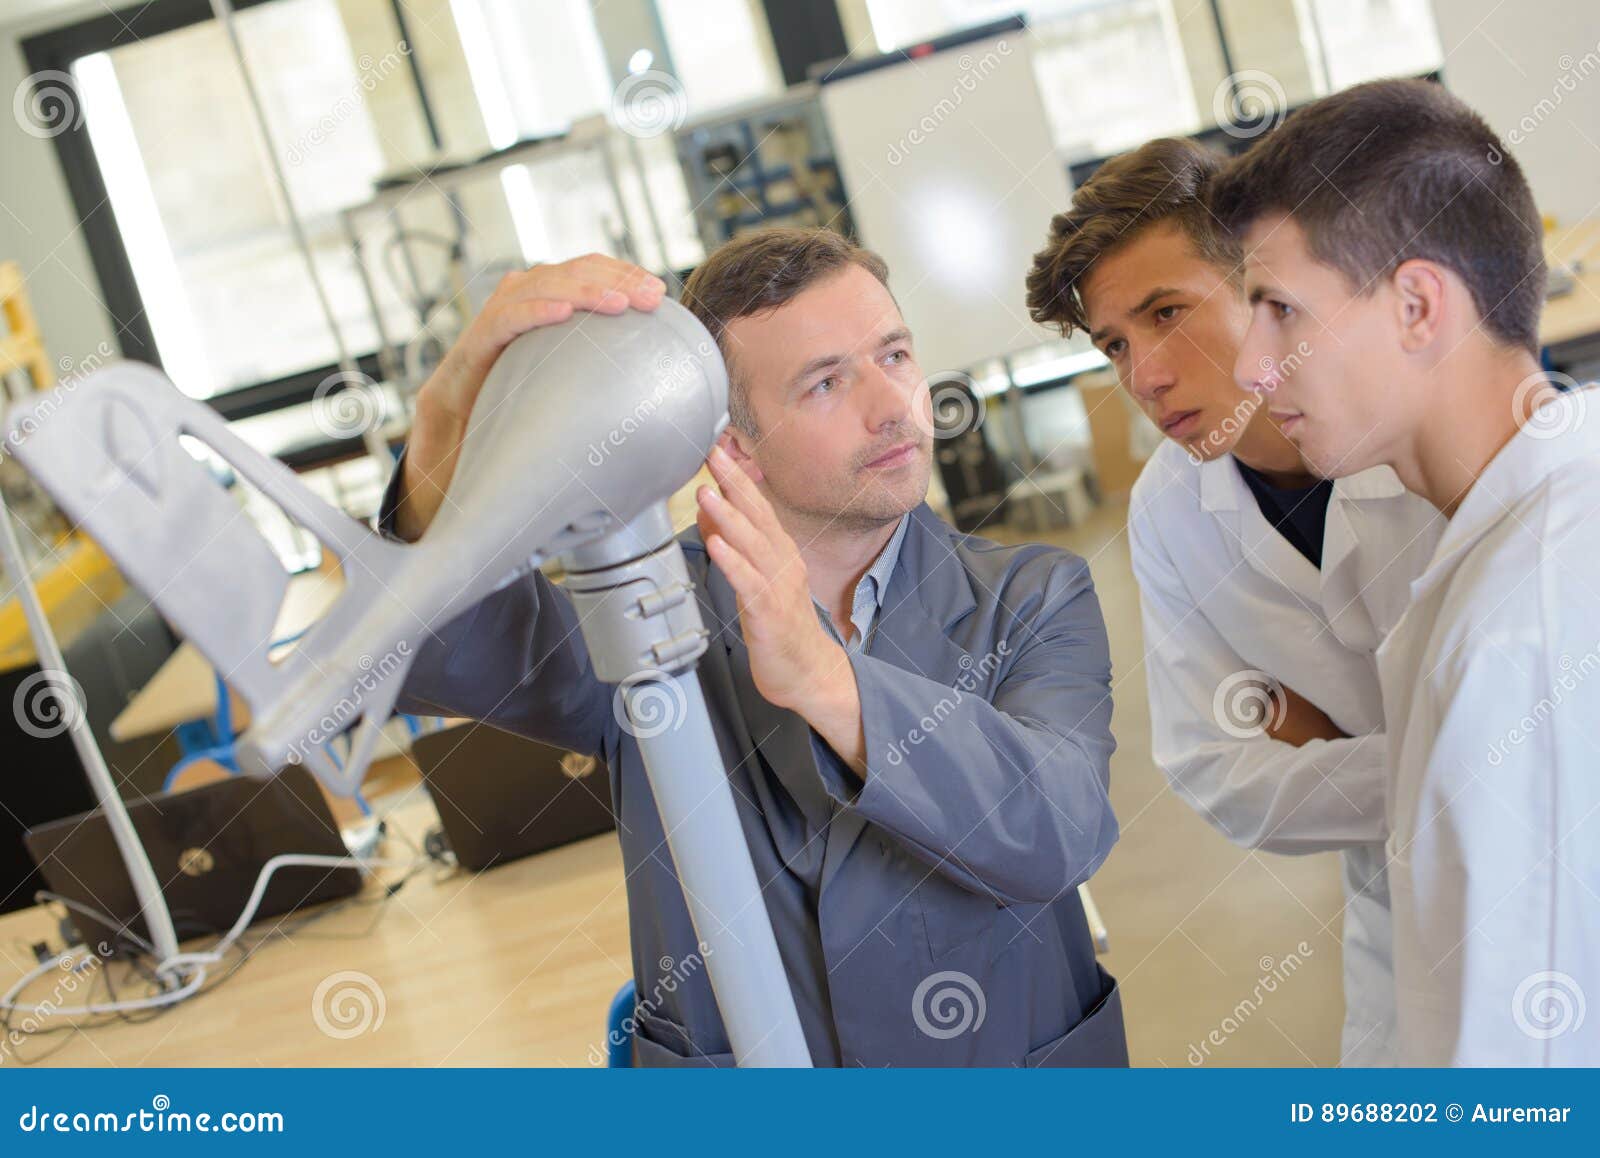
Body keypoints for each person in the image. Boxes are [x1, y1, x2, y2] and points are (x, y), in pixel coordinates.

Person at [381, 230, 1126, 1066]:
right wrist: (446, 415)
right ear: (734, 445)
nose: (892, 407)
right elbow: (439, 643)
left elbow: (1058, 828)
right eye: (826, 383)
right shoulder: (648, 612)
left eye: (895, 355)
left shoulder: (1032, 595)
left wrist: (822, 675)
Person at [1026, 136, 1443, 1064]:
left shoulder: (1429, 436)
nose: (1145, 377)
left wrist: (1325, 739)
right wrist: (1448, 759)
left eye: (1169, 313)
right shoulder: (1172, 508)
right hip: (1398, 925)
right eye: (1116, 346)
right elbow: (1218, 770)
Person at [1211, 77, 1600, 1065]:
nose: (1251, 365)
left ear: (1419, 304)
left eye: (1280, 309)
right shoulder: (1546, 503)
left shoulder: (1521, 628)